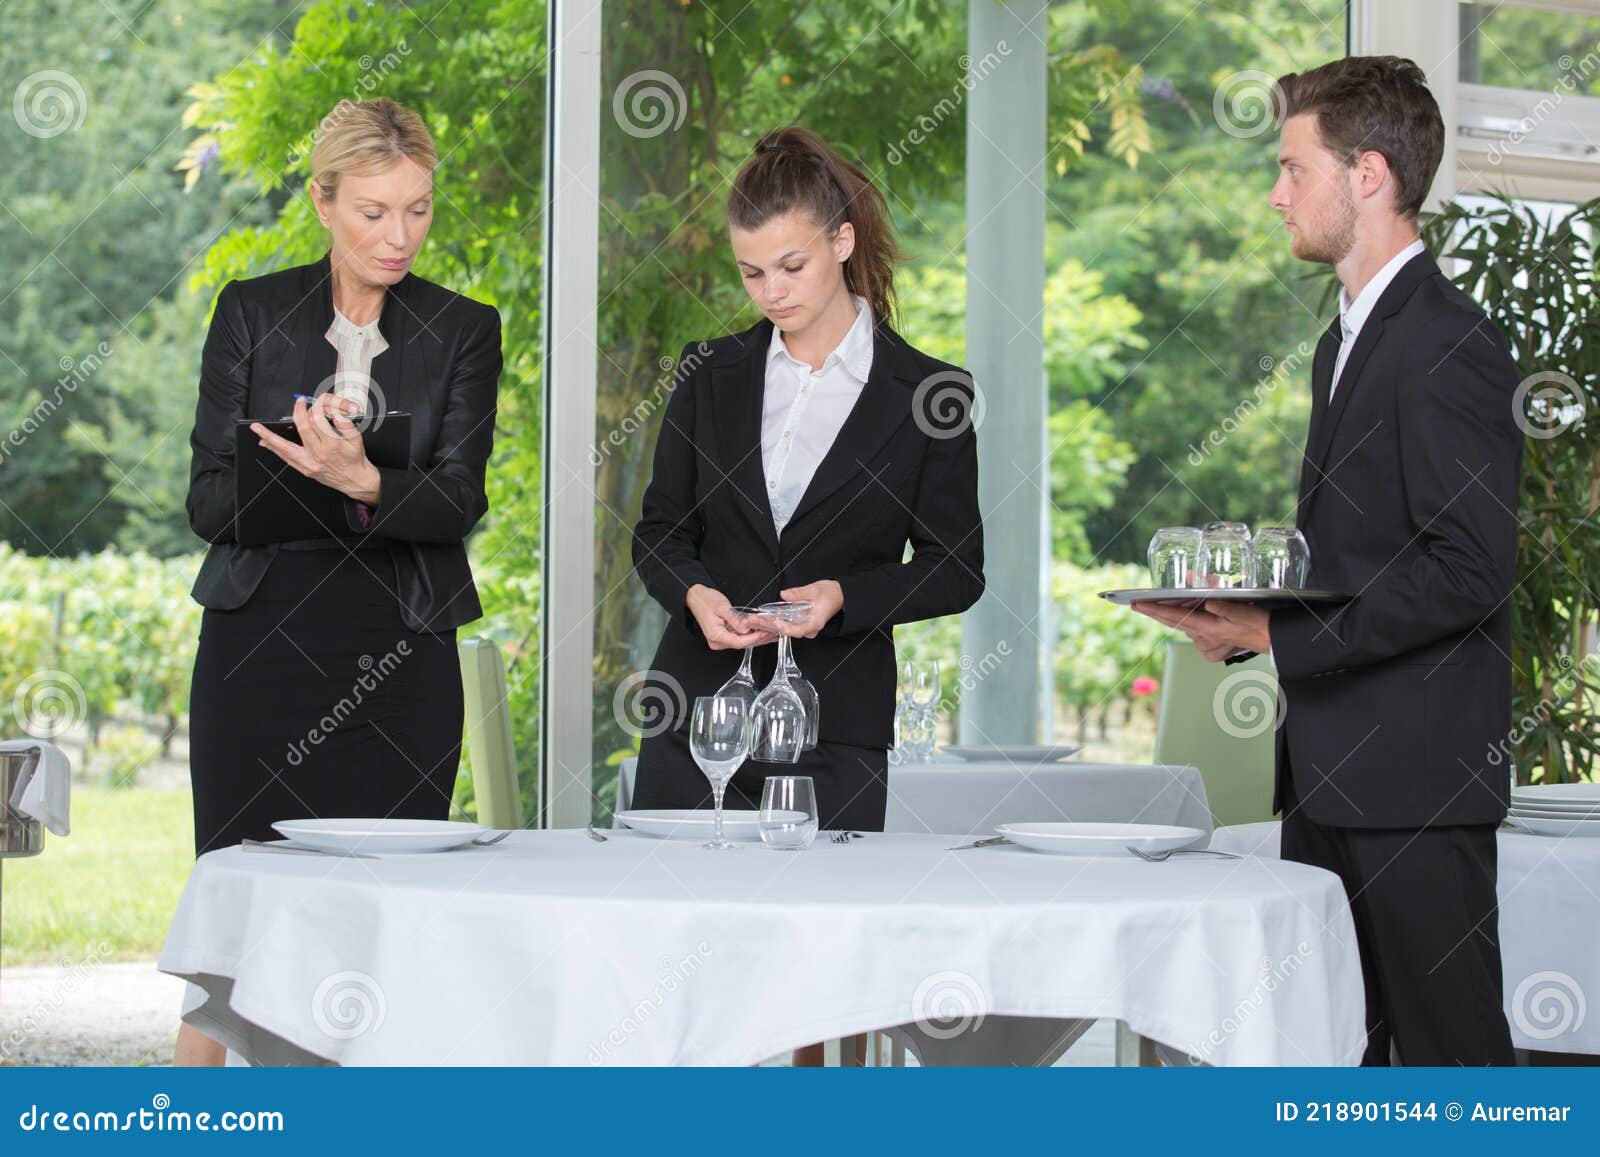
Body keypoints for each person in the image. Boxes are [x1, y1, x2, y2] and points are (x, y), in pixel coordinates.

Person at [1136, 56, 1522, 1065]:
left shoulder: (1447, 343)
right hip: (1327, 778)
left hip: (1416, 788)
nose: (1274, 194)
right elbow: (1371, 556)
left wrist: (1278, 630)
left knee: (1456, 1068)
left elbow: (1470, 568)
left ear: (1369, 176)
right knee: (1331, 1058)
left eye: (1291, 168)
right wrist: (1246, 616)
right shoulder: (1341, 341)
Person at [175, 97, 501, 1066]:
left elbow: (458, 500)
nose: (397, 235)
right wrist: (307, 477)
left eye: (416, 209)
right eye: (372, 211)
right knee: (233, 904)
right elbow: (205, 497)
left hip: (401, 654)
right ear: (322, 201)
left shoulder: (462, 329)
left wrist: (363, 479)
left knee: (387, 913)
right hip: (258, 643)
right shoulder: (249, 311)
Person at [631, 124, 985, 839]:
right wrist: (695, 595)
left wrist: (845, 597)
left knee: (826, 941)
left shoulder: (929, 394)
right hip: (701, 717)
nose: (772, 291)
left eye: (791, 266)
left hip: (837, 728)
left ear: (843, 243)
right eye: (752, 272)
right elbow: (660, 531)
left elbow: (957, 570)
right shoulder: (707, 373)